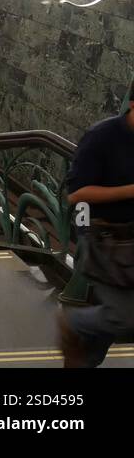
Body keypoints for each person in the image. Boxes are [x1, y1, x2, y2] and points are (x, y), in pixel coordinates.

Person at [58, 80, 134, 367]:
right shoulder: (102, 137)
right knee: (122, 318)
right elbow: (76, 194)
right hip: (105, 237)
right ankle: (75, 323)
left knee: (116, 316)